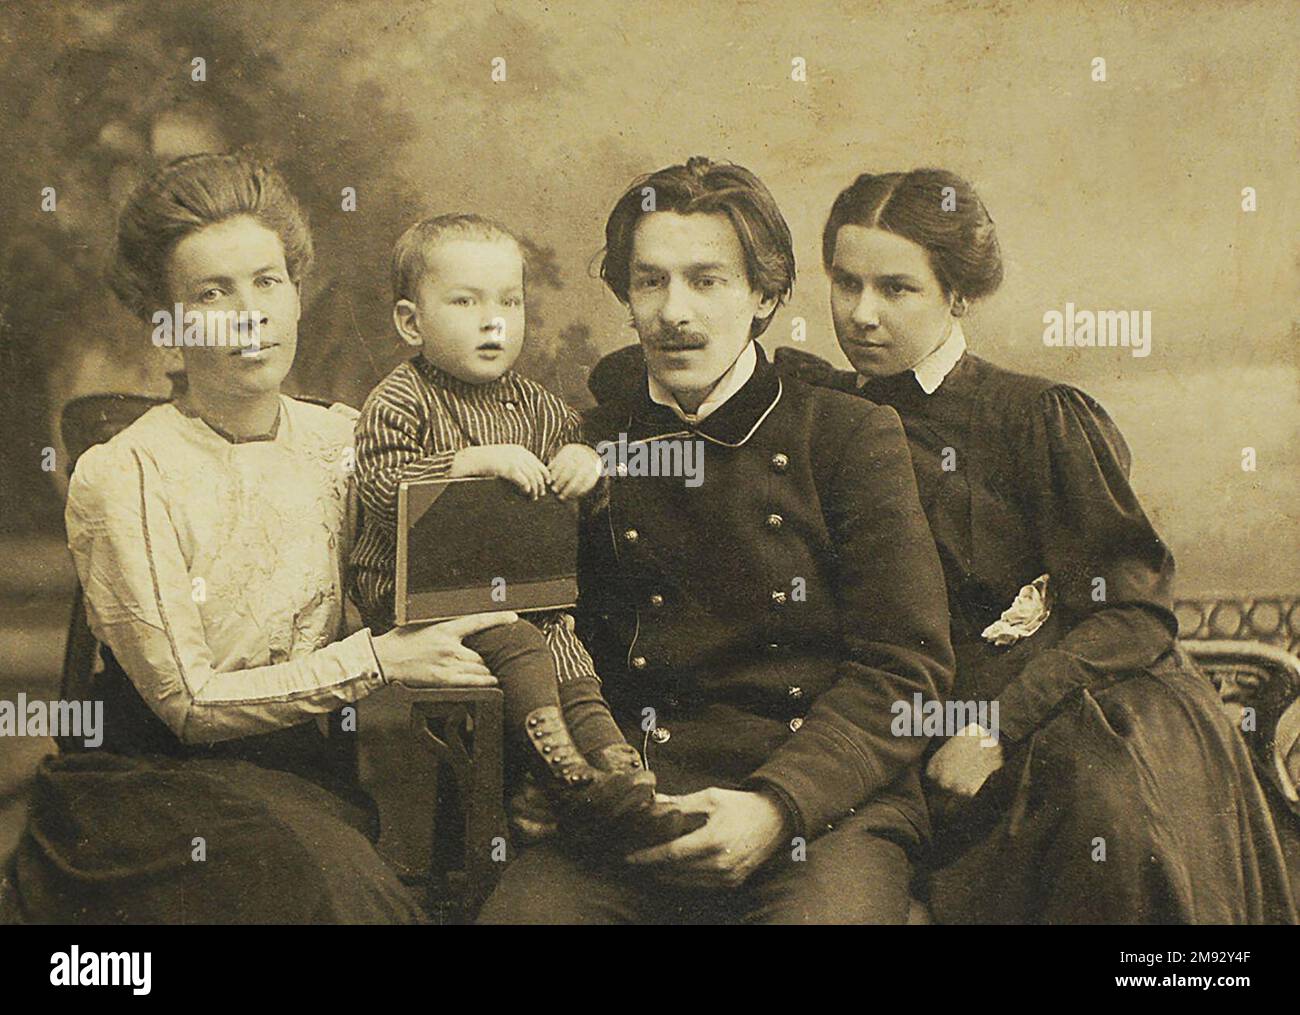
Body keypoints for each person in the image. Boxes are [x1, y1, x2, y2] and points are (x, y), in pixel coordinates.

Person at [3, 152, 520, 924]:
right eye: (214, 292)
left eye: (268, 281)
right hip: (145, 794)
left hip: (307, 780)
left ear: (297, 297)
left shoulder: (346, 443)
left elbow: (448, 572)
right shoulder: (127, 474)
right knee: (338, 897)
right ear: (168, 329)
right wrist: (379, 657)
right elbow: (190, 702)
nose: (252, 313)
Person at [777, 167, 1297, 923]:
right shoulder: (826, 411)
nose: (862, 314)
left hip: (1081, 705)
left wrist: (994, 727)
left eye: (897, 289)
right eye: (846, 283)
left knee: (1107, 818)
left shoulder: (1035, 418)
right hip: (914, 716)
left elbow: (1135, 613)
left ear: (957, 294)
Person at [477, 157, 955, 924]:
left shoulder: (846, 435)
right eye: (650, 281)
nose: (674, 311)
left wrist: (775, 805)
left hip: (821, 811)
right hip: (635, 805)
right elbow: (544, 636)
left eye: (708, 280)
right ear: (626, 295)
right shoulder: (587, 443)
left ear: (764, 294)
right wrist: (551, 777)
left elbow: (905, 668)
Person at [349, 213, 692, 851]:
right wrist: (463, 463)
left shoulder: (537, 405)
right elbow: (376, 486)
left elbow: (589, 493)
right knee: (520, 642)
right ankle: (563, 775)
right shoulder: (400, 400)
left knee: (567, 647)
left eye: (509, 301)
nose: (494, 320)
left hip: (520, 593)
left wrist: (587, 468)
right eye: (465, 301)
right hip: (421, 603)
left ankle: (617, 770)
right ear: (410, 322)